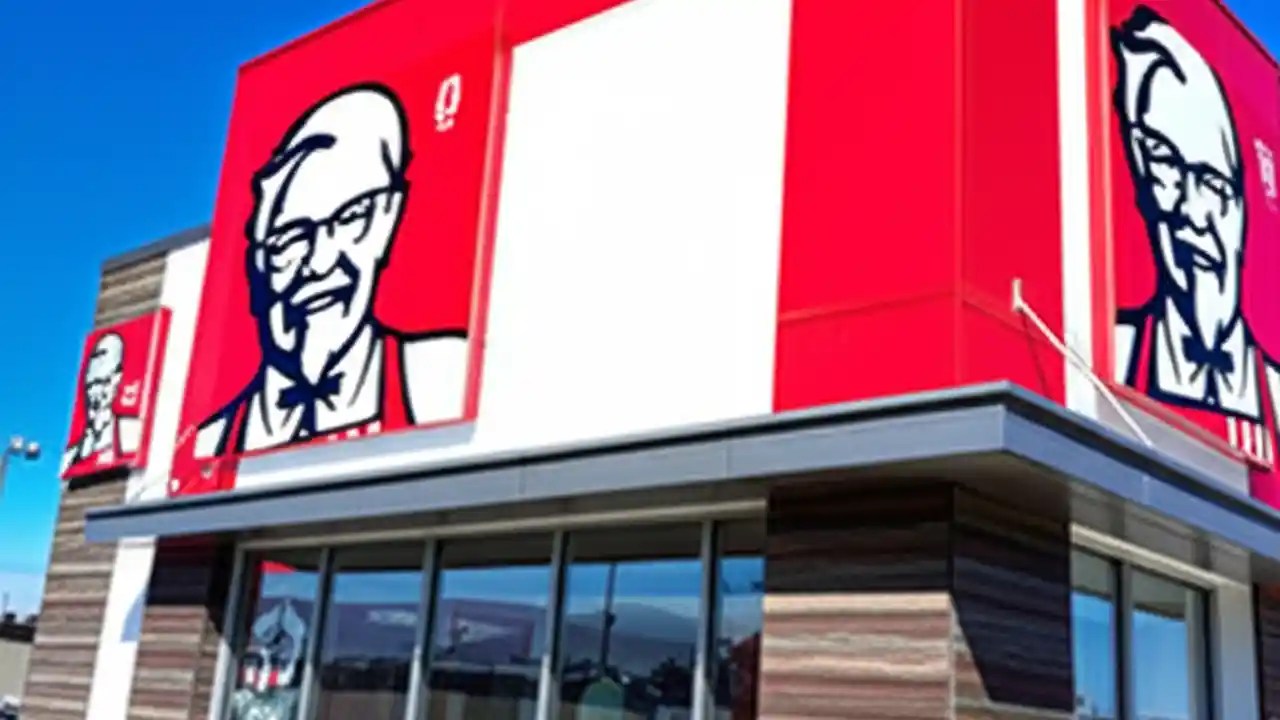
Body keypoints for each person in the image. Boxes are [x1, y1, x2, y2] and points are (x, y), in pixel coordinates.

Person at [194, 84, 469, 458]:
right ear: (258, 261)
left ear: (388, 221)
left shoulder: (442, 379)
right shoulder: (209, 445)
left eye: (350, 218)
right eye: (291, 237)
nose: (320, 262)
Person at [1111, 6, 1280, 462]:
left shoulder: (1276, 400)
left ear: (1242, 209)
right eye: (1166, 166)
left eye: (1211, 182)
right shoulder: (1116, 351)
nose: (1192, 211)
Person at [61, 333, 142, 475]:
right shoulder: (69, 458)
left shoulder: (132, 437)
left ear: (117, 379)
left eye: (102, 382)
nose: (95, 394)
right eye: (90, 385)